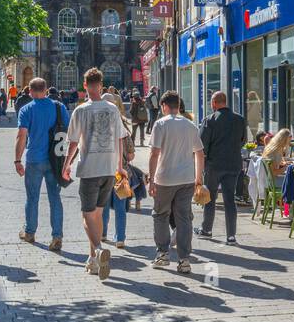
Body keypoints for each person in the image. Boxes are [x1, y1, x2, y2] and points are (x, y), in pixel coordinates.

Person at [62, 68, 127, 281]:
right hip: (109, 169)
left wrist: (66, 164)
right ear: (100, 85)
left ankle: (98, 249)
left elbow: (73, 142)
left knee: (86, 215)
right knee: (98, 215)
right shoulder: (112, 109)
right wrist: (120, 166)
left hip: (90, 169)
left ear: (85, 86)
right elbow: (120, 139)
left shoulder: (80, 111)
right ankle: (93, 259)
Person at [148, 90, 205, 273]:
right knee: (184, 218)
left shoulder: (160, 124)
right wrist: (198, 178)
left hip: (164, 178)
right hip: (187, 179)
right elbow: (199, 153)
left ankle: (163, 254)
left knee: (160, 215)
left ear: (164, 106)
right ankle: (184, 259)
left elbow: (154, 153)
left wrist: (151, 179)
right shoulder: (190, 125)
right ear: (179, 106)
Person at [14, 78, 67, 251]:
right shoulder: (59, 107)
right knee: (55, 198)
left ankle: (30, 232)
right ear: (46, 90)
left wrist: (17, 160)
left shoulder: (26, 109)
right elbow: (69, 131)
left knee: (32, 197)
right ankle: (57, 236)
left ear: (30, 91)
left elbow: (22, 136)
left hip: (34, 159)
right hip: (55, 160)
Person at [199, 90, 246, 245]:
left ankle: (207, 229)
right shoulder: (239, 119)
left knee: (209, 197)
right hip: (233, 164)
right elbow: (242, 141)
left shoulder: (209, 120)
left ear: (214, 103)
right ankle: (231, 236)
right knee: (229, 200)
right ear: (225, 102)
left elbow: (202, 146)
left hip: (214, 165)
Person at [102, 98, 139, 249]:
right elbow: (130, 155)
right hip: (121, 174)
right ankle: (120, 238)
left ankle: (102, 233)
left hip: (103, 171)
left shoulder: (100, 129)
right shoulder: (123, 130)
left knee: (102, 205)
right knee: (120, 207)